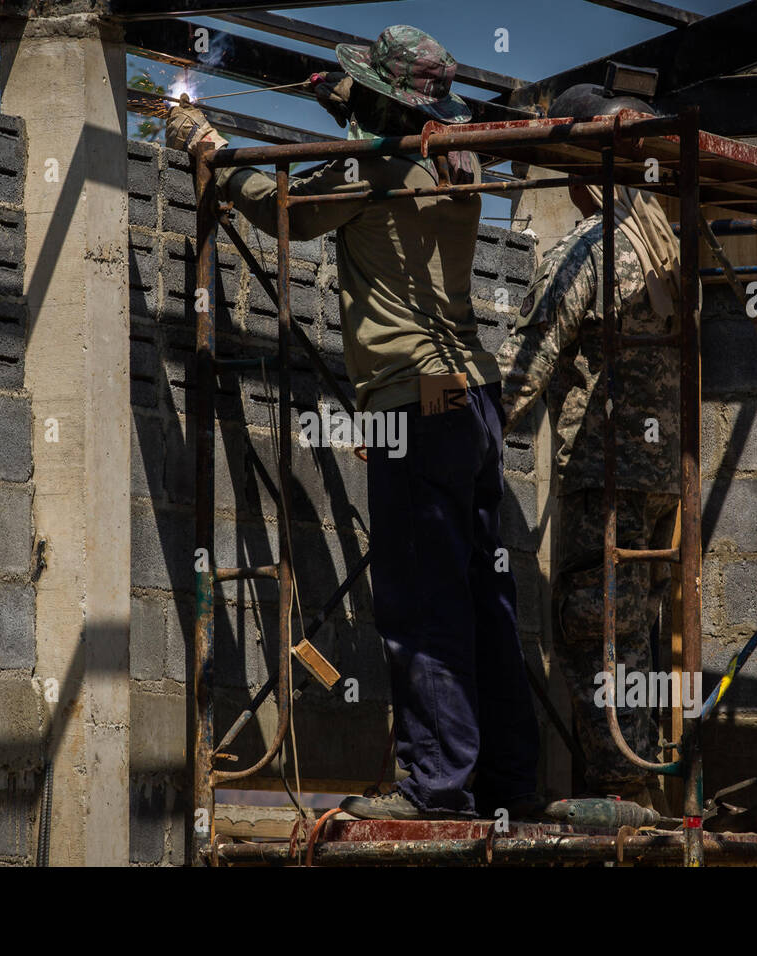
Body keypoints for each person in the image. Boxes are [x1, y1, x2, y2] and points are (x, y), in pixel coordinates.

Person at [165, 25, 540, 820]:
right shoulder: (454, 156)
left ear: (382, 98)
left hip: (414, 401)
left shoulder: (370, 168)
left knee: (419, 603)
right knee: (483, 599)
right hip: (471, 394)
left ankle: (437, 789)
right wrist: (348, 103)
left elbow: (283, 208)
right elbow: (384, 139)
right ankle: (510, 785)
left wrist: (206, 142)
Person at [496, 85, 692, 813]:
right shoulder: (664, 242)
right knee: (634, 629)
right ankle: (637, 781)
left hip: (603, 475)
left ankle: (618, 788)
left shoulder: (589, 249)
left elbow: (524, 371)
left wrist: (451, 428)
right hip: (664, 478)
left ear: (579, 169)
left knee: (592, 627)